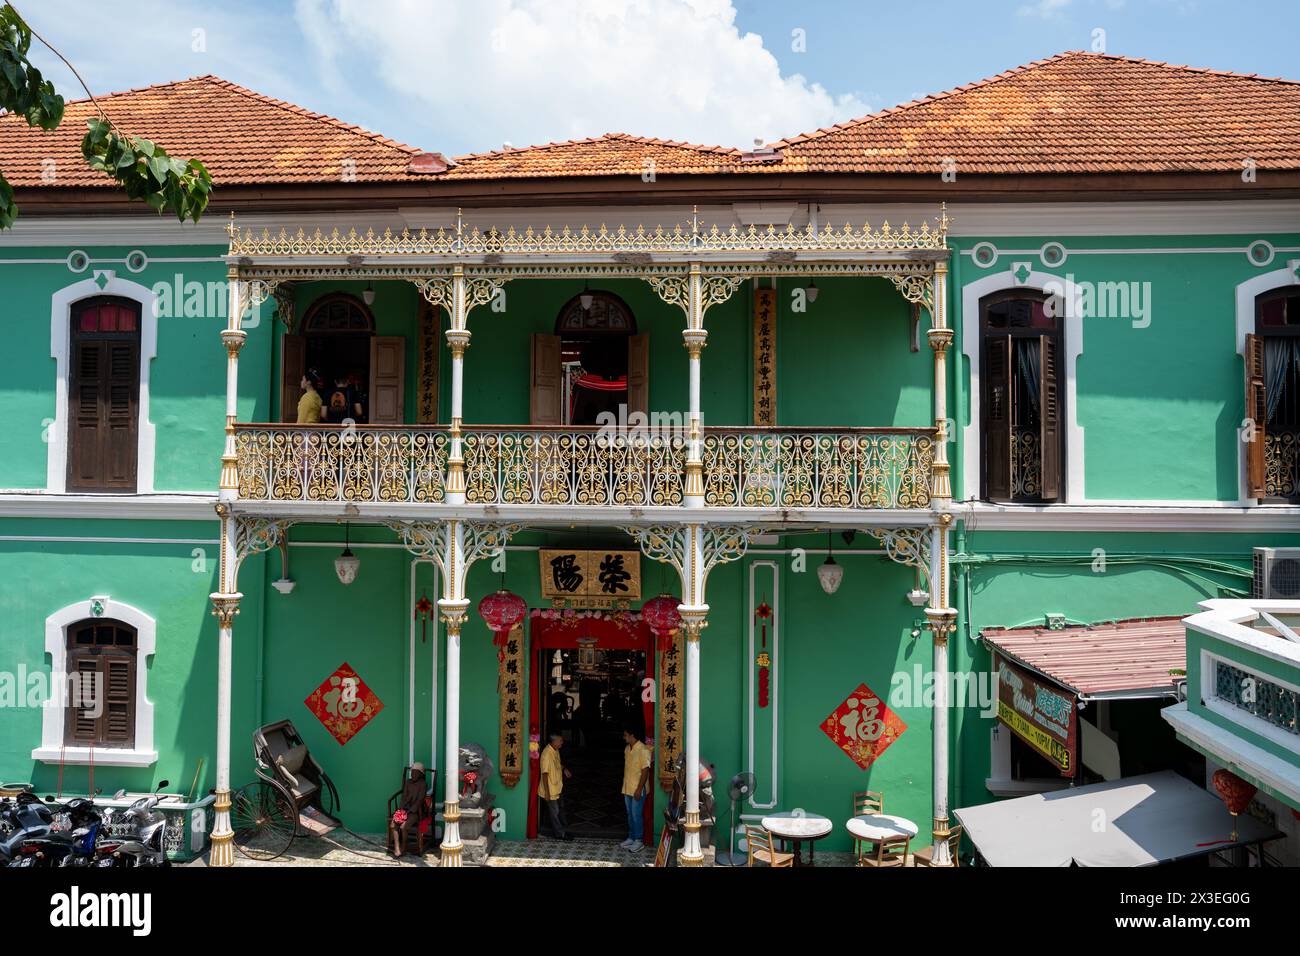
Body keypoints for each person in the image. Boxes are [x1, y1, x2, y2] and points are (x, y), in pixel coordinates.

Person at [620, 726, 652, 852]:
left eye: (625, 735)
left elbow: (645, 771)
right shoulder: (627, 749)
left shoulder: (643, 750)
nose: (624, 737)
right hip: (627, 787)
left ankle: (639, 840)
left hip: (638, 789)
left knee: (636, 814)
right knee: (630, 814)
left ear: (632, 735)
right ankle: (631, 837)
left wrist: (639, 789)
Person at [538, 732, 572, 840]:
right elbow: (544, 774)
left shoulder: (555, 750)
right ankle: (560, 834)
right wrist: (547, 793)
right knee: (555, 812)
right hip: (550, 789)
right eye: (560, 741)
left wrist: (564, 769)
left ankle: (563, 827)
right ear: (554, 741)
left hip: (557, 786)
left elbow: (557, 764)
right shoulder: (546, 754)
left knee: (560, 808)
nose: (562, 742)